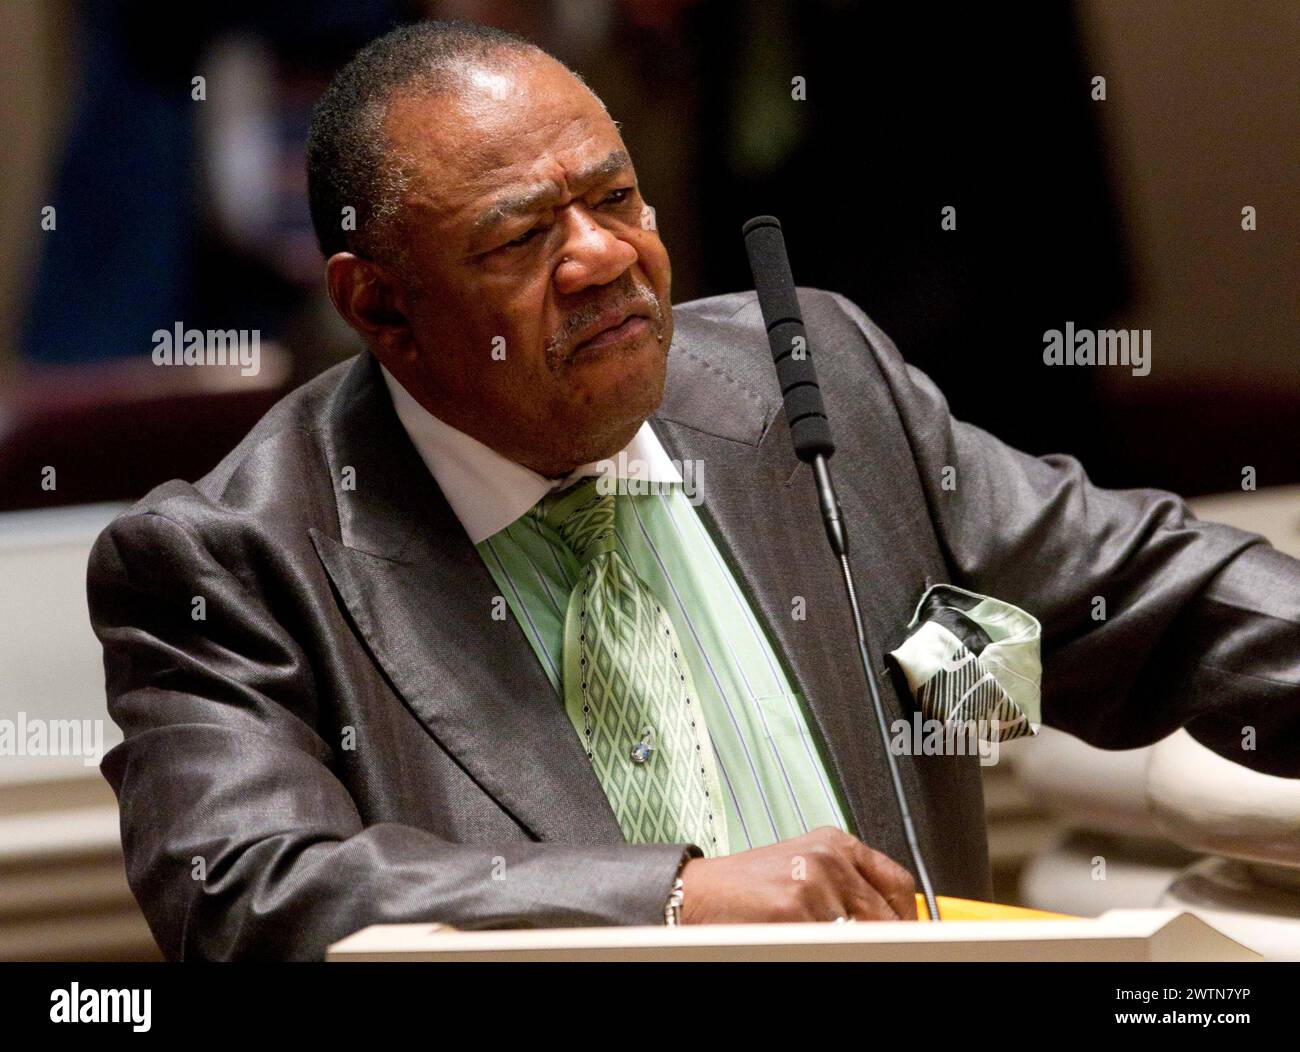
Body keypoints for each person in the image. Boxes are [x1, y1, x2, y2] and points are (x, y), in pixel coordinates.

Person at [88, 20, 1299, 961]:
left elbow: (1156, 596)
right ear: (380, 305)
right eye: (521, 239)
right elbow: (244, 886)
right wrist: (670, 898)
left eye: (614, 197)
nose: (606, 257)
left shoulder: (808, 384)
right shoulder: (233, 559)